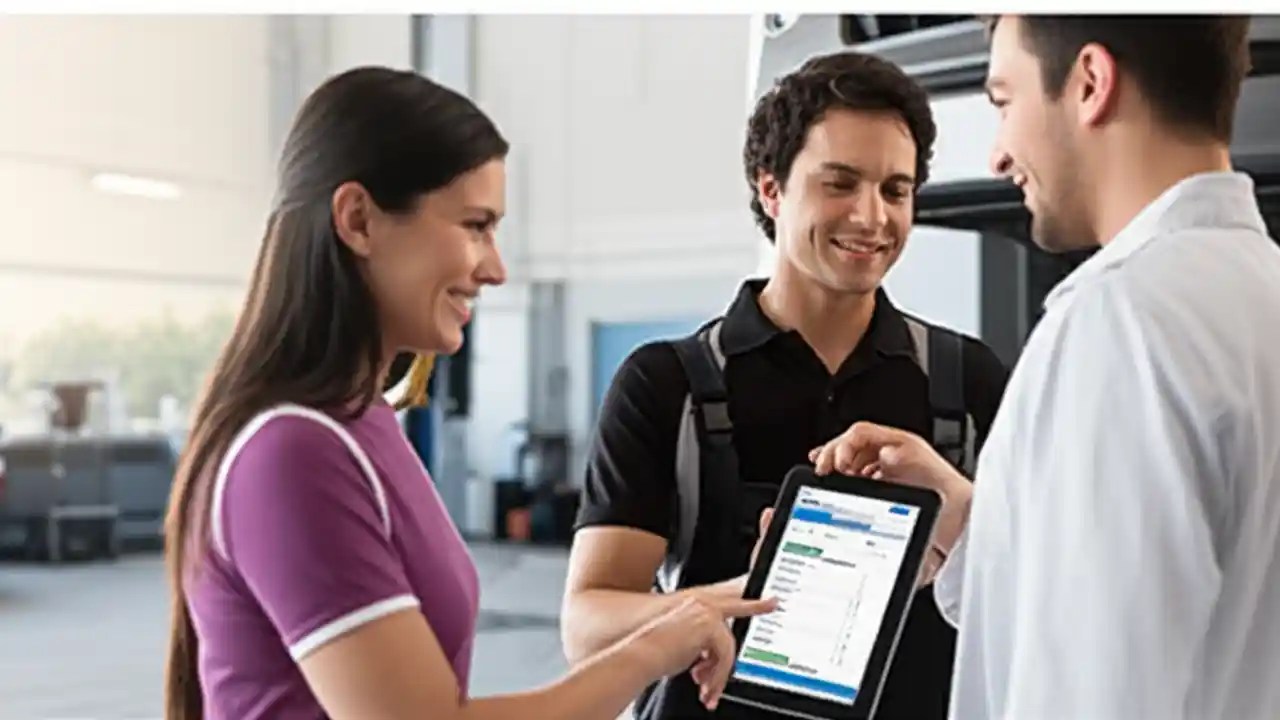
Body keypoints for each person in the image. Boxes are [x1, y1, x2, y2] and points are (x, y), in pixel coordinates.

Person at [161, 66, 777, 720]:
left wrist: (709, 605)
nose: (496, 266)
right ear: (359, 220)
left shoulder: (363, 425)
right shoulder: (292, 453)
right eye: (475, 226)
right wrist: (653, 648)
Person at [810, 15, 1280, 720]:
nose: (999, 154)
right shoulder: (1259, 288)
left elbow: (1091, 686)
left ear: (1090, 82)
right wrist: (972, 519)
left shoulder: (1118, 321)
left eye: (1003, 100)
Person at [562, 51, 1010, 719]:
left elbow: (1030, 596)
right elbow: (587, 626)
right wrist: (733, 598)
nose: (872, 217)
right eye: (840, 183)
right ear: (770, 189)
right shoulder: (666, 385)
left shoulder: (968, 381)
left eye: (896, 189)